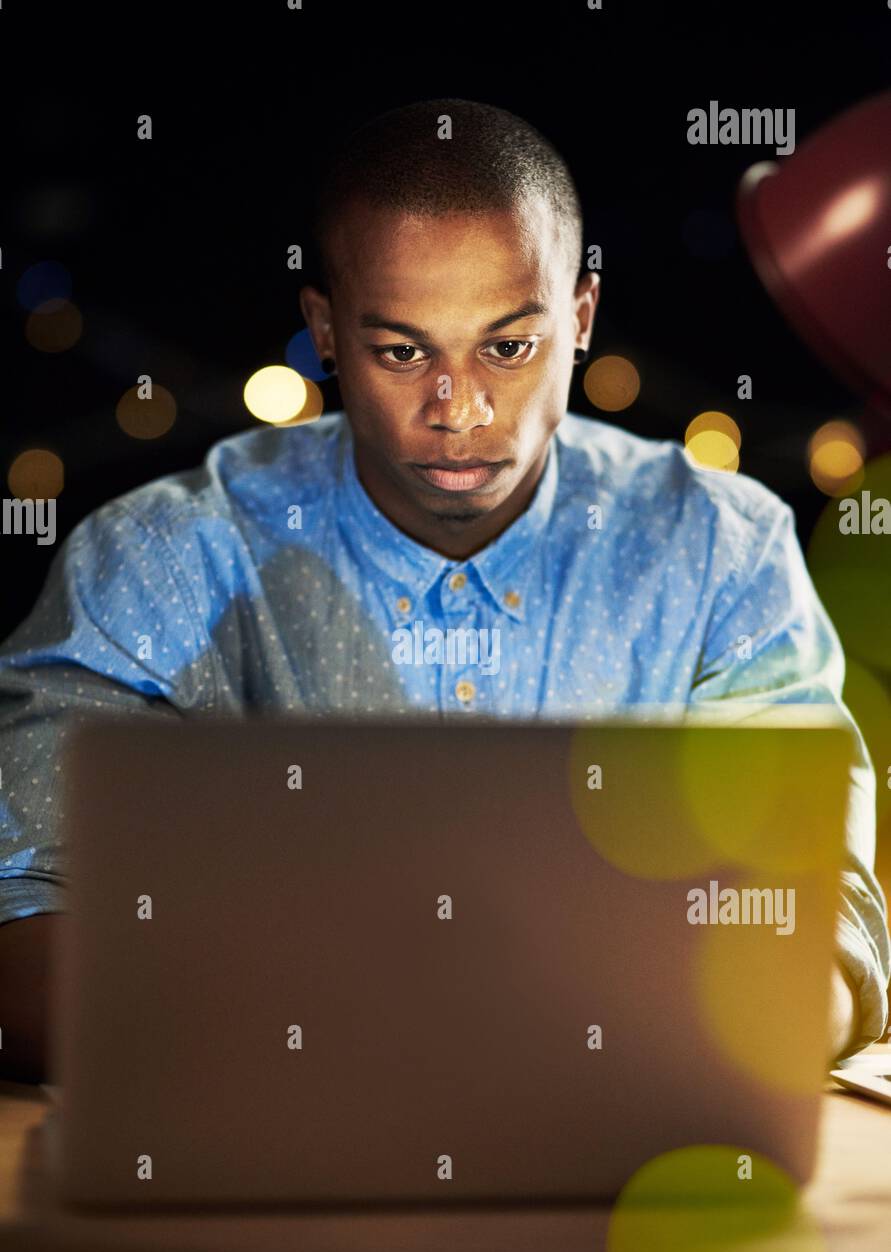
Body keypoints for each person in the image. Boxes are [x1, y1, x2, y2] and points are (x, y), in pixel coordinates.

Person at [0, 99, 887, 1082]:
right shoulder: (160, 559)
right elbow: (28, 924)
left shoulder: (723, 549)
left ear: (581, 317)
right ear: (326, 331)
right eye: (402, 350)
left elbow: (816, 921)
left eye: (507, 347)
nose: (458, 412)